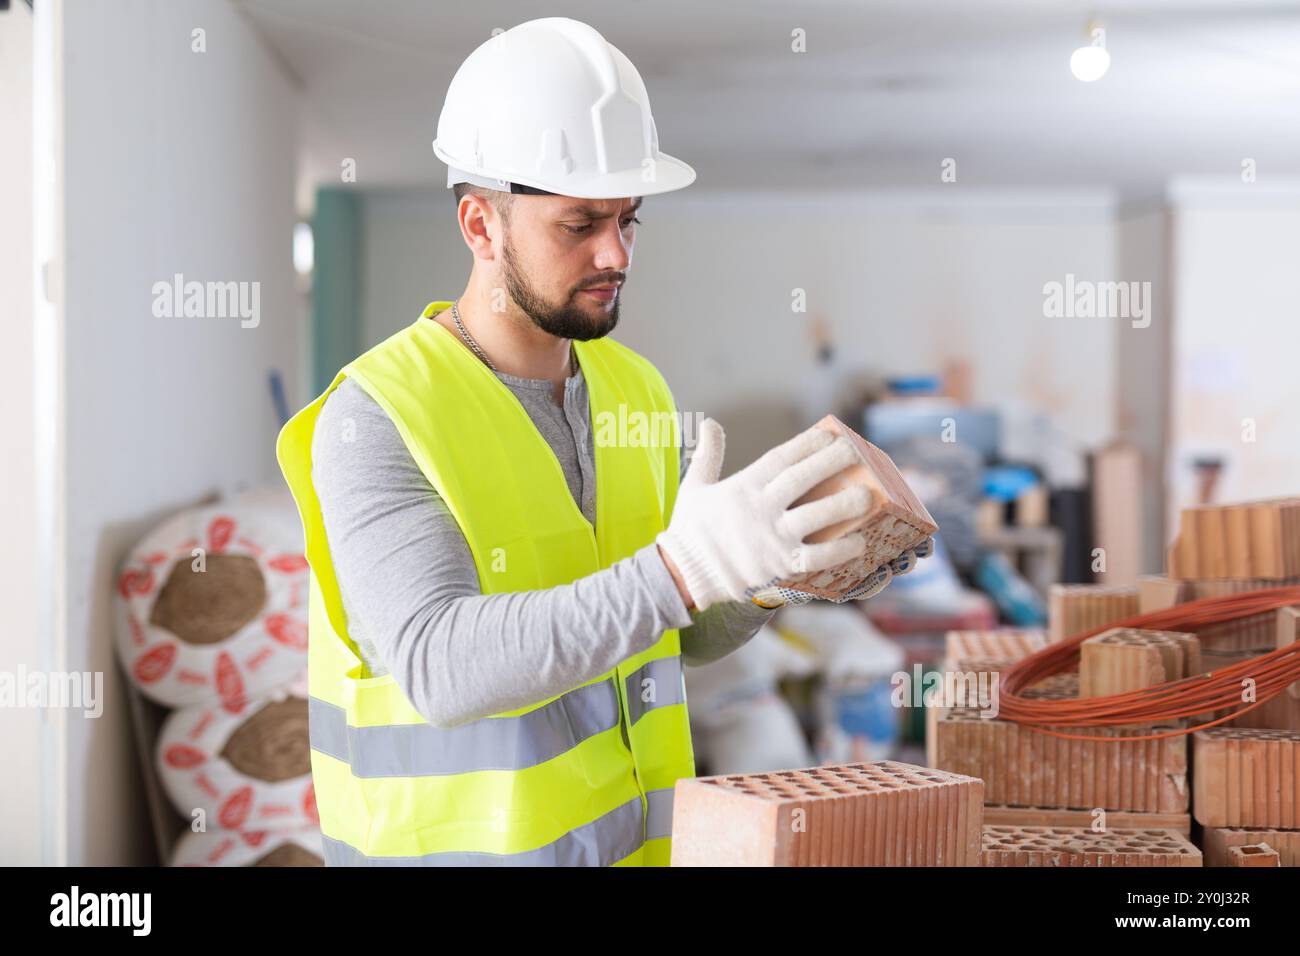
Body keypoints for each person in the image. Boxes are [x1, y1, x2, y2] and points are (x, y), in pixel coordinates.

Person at [277, 17, 926, 867]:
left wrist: (765, 574)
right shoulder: (378, 414)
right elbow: (441, 666)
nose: (614, 252)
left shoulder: (634, 389)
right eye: (578, 224)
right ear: (480, 225)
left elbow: (676, 635)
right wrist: (683, 569)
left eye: (628, 220)